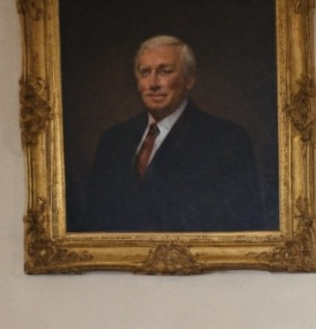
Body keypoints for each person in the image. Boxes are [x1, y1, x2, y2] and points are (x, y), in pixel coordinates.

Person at [74, 35, 267, 233]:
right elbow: (92, 223)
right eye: (145, 72)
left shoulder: (227, 140)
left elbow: (243, 228)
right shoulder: (113, 140)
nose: (153, 83)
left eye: (165, 72)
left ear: (189, 79)